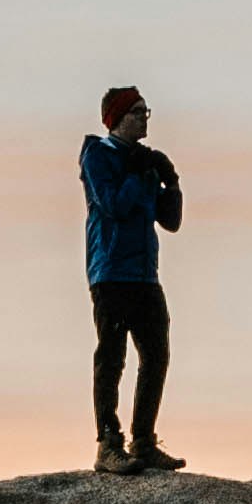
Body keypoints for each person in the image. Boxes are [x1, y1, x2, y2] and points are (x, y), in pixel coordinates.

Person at [82, 82, 186, 473]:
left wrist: (170, 182)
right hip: (110, 271)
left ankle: (143, 440)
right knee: (112, 357)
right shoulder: (98, 156)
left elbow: (170, 221)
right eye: (138, 112)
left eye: (146, 112)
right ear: (117, 119)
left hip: (145, 274)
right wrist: (139, 175)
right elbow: (113, 205)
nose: (145, 118)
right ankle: (108, 445)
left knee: (156, 353)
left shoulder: (143, 160)